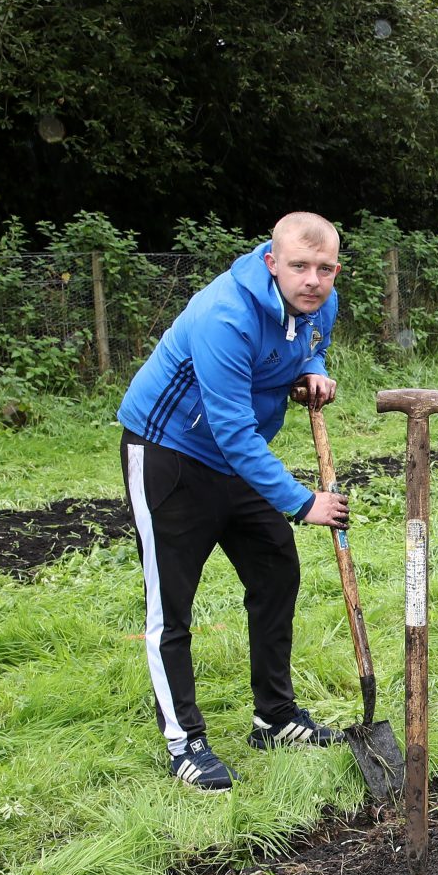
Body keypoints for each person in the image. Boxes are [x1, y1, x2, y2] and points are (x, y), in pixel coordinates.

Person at [117, 213, 351, 791]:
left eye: (324, 268)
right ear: (272, 263)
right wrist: (302, 503)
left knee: (276, 571)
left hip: (235, 458)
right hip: (170, 451)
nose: (312, 280)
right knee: (171, 602)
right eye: (299, 266)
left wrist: (314, 371)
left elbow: (305, 347)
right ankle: (185, 742)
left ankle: (274, 718)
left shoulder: (322, 305)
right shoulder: (225, 314)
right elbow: (233, 430)